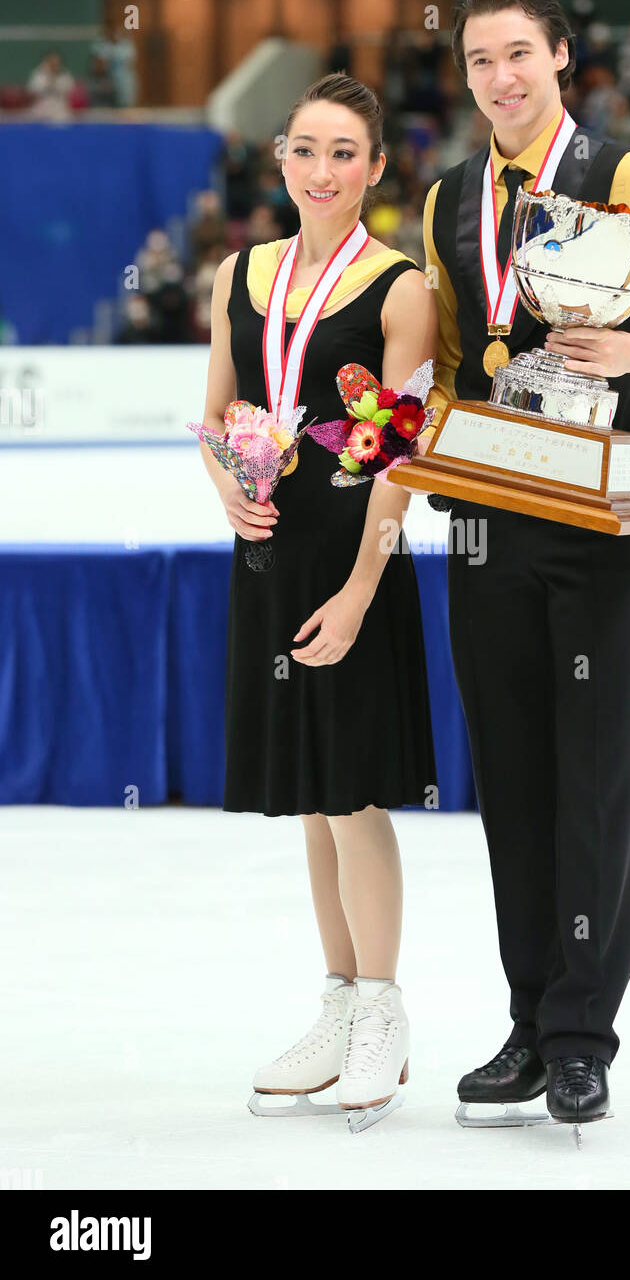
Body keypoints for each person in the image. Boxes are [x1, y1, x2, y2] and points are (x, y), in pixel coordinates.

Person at [419, 0, 630, 1127]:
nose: (499, 78)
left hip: (602, 510)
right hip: (486, 509)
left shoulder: (626, 178)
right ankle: (526, 1018)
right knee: (510, 776)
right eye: (477, 61)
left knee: (594, 776)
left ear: (559, 55)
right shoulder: (446, 196)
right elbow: (460, 356)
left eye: (518, 53)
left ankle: (579, 1034)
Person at [199, 73, 438, 1125]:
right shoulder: (237, 274)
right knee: (308, 790)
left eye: (344, 152)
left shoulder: (400, 288)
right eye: (305, 149)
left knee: (356, 792)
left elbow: (397, 461)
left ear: (376, 168)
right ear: (281, 158)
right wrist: (228, 491)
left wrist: (356, 592)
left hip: (354, 562)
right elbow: (217, 412)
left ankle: (383, 1008)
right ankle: (338, 1003)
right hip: (269, 557)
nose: (322, 169)